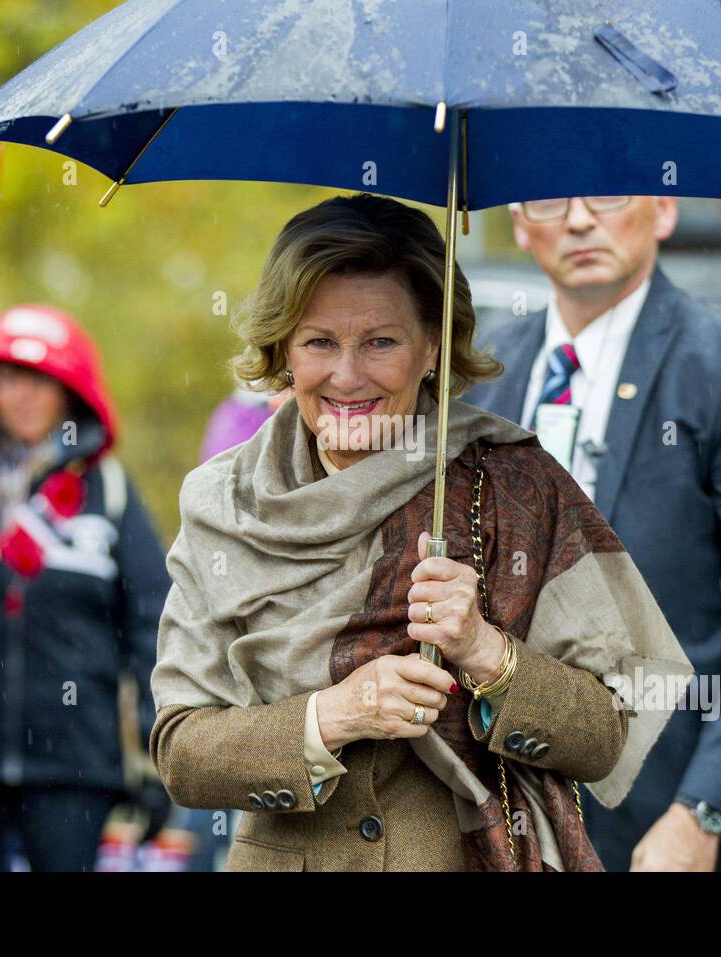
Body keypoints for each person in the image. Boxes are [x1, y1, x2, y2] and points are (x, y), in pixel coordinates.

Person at [148, 193, 691, 872]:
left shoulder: (512, 481)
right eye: (319, 341)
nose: (347, 375)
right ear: (284, 348)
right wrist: (334, 714)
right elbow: (181, 750)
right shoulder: (222, 503)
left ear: (431, 346)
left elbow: (605, 732)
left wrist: (488, 653)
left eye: (380, 341)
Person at [464, 195, 721, 871]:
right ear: (517, 222)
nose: (579, 220)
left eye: (606, 196)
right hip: (515, 819)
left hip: (679, 825)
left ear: (663, 210)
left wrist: (704, 811)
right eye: (549, 200)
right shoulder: (482, 373)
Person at [0, 304, 170, 872]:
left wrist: (158, 758)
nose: (24, 395)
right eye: (9, 378)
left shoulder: (111, 492)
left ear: (71, 393)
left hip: (76, 768)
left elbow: (156, 628)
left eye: (42, 380)